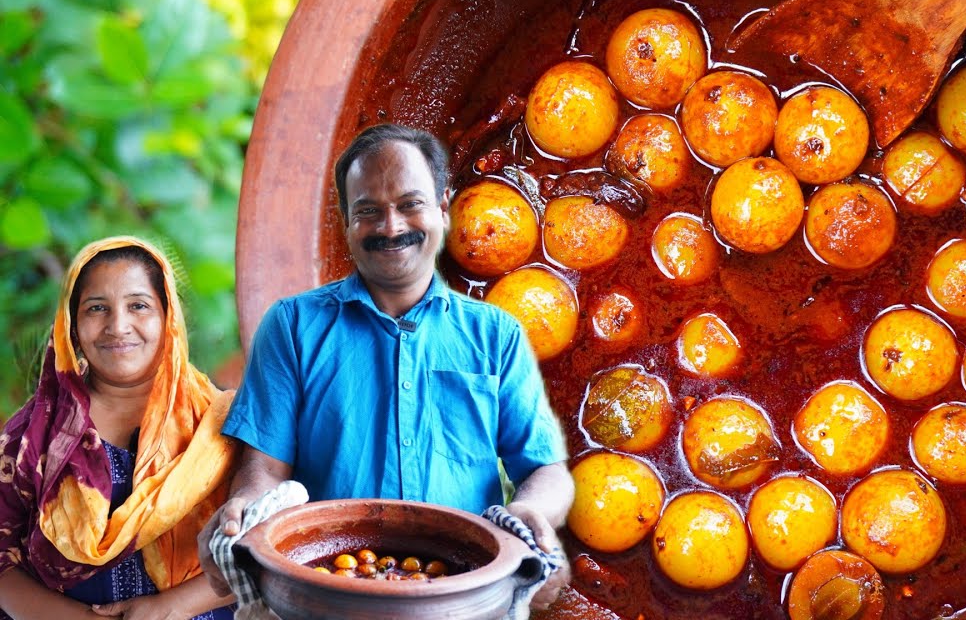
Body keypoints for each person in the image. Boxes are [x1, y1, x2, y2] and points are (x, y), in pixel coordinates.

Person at [200, 124, 573, 607]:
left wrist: (530, 513)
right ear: (347, 223)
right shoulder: (292, 325)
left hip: (462, 596)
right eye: (368, 211)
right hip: (327, 592)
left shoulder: (495, 334)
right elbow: (263, 469)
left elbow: (546, 468)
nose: (391, 226)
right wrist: (246, 511)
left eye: (410, 204)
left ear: (442, 207)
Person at [0, 237, 238, 620]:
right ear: (72, 327)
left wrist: (170, 607)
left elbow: (261, 540)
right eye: (97, 308)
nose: (118, 326)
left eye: (139, 306)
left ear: (168, 318)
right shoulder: (33, 435)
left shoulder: (219, 425)